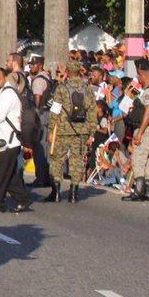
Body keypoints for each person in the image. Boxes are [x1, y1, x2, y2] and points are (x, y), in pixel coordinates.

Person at [0, 69, 31, 213]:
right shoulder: (10, 93)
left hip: (6, 141)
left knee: (0, 172)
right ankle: (20, 199)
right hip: (8, 140)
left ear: (6, 79)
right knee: (7, 174)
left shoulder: (7, 94)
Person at [48, 61, 97, 203]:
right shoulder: (88, 89)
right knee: (77, 161)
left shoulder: (61, 88)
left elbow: (55, 110)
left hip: (63, 130)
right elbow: (92, 112)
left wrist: (51, 130)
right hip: (81, 131)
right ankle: (73, 193)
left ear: (68, 72)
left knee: (57, 160)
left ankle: (56, 192)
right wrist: (91, 132)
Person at [123, 58, 149, 201]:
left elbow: (148, 112)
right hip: (146, 126)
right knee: (148, 157)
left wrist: (139, 133)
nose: (137, 77)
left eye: (139, 74)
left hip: (146, 128)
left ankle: (139, 190)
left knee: (138, 156)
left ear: (143, 74)